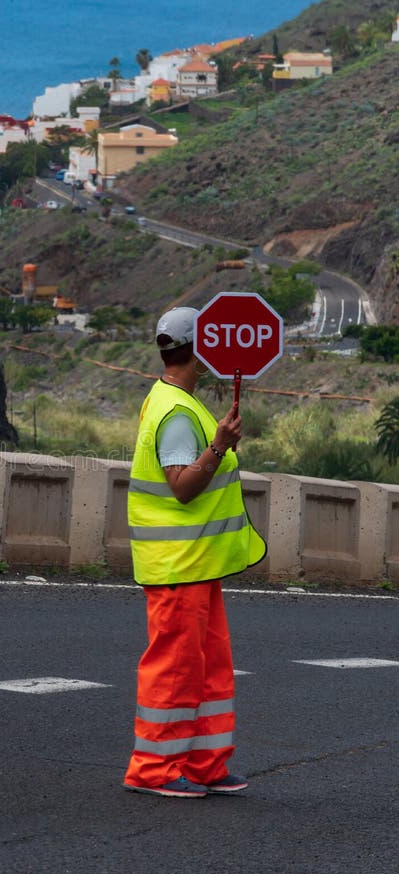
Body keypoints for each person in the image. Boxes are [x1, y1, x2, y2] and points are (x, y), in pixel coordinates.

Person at [123, 306, 266, 798]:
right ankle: (155, 769)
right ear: (198, 349)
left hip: (198, 565)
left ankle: (205, 763)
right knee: (177, 668)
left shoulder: (171, 399)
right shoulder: (178, 413)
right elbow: (182, 487)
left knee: (207, 665)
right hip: (178, 567)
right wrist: (220, 446)